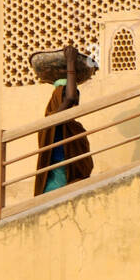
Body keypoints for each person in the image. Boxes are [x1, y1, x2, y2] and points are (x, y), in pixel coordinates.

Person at [34, 44, 94, 196]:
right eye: (64, 95)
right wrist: (71, 63)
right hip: (56, 179)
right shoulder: (51, 121)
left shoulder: (74, 127)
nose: (75, 101)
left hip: (69, 177)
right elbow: (70, 97)